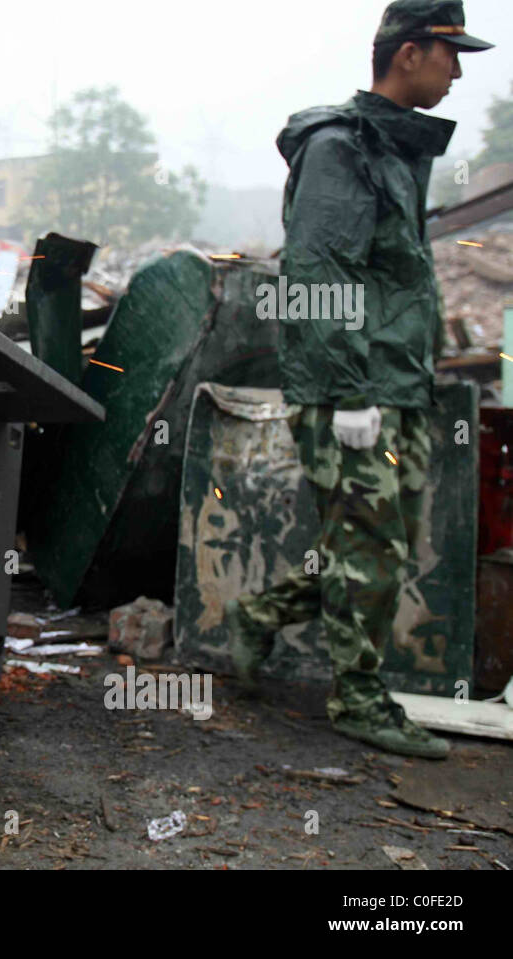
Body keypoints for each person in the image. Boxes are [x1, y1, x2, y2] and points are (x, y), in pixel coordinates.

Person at [227, 0, 493, 758]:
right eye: (451, 52)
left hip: (393, 385)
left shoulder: (395, 148)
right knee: (370, 549)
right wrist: (350, 395)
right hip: (354, 390)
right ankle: (357, 700)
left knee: (378, 548)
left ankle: (262, 613)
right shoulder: (340, 147)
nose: (458, 69)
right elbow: (320, 274)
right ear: (409, 52)